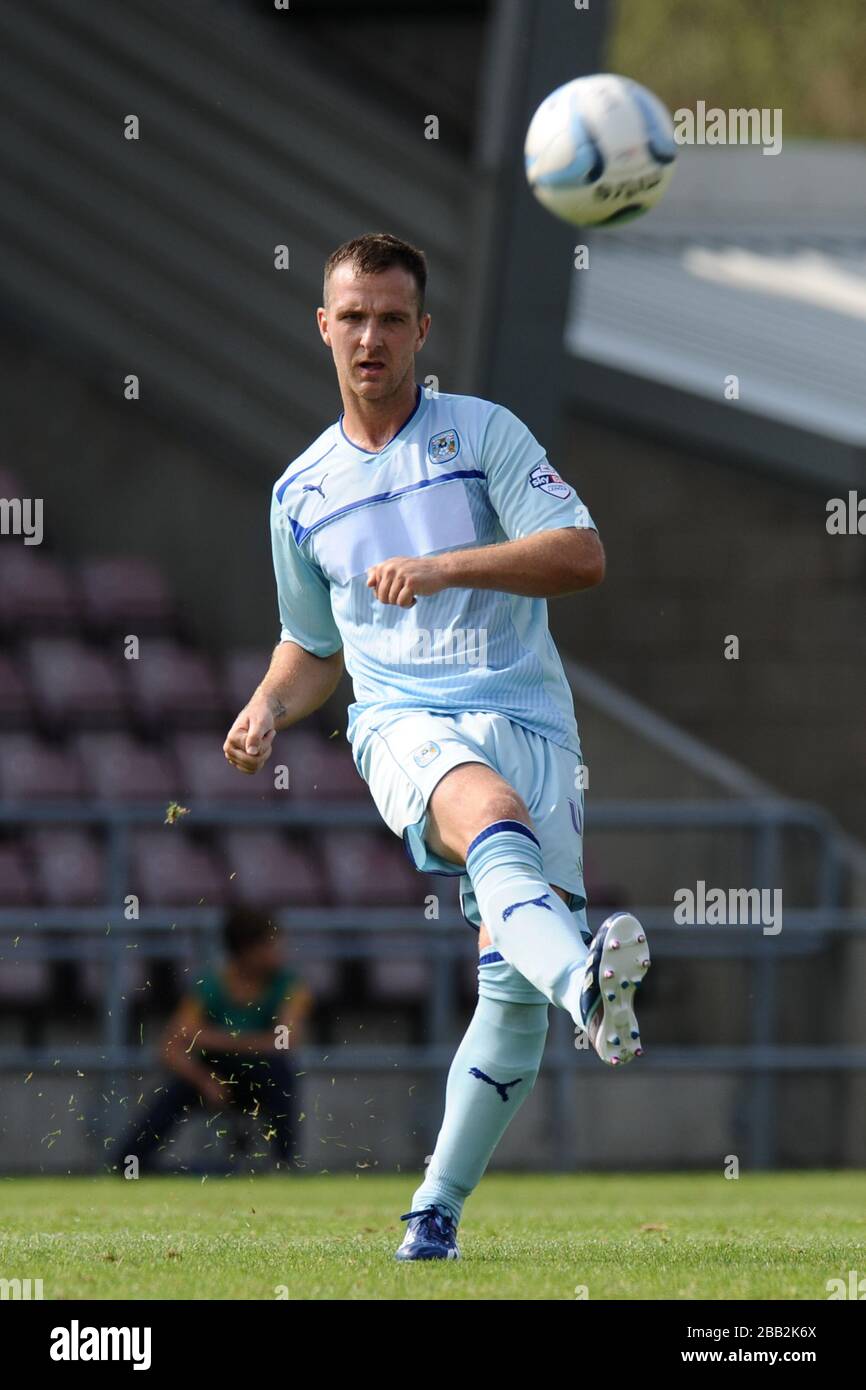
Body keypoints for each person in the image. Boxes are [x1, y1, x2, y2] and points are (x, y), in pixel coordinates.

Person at [223, 232, 651, 1258]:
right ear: (323, 326)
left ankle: (431, 1212)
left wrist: (449, 563)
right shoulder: (300, 494)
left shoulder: (481, 433)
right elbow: (311, 644)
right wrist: (269, 704)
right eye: (351, 315)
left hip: (530, 718)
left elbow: (581, 555)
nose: (370, 336)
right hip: (400, 720)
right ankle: (591, 985)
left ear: (422, 330)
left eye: (390, 317)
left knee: (509, 1002)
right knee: (484, 815)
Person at [109, 909, 311, 1173]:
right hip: (212, 1074)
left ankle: (285, 1164)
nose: (280, 951)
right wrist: (204, 1079)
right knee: (174, 1091)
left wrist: (208, 1038)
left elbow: (284, 1042)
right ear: (248, 950)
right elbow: (170, 1047)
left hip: (260, 1077)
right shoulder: (211, 984)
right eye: (271, 944)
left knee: (280, 1073)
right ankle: (130, 1164)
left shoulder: (291, 985)